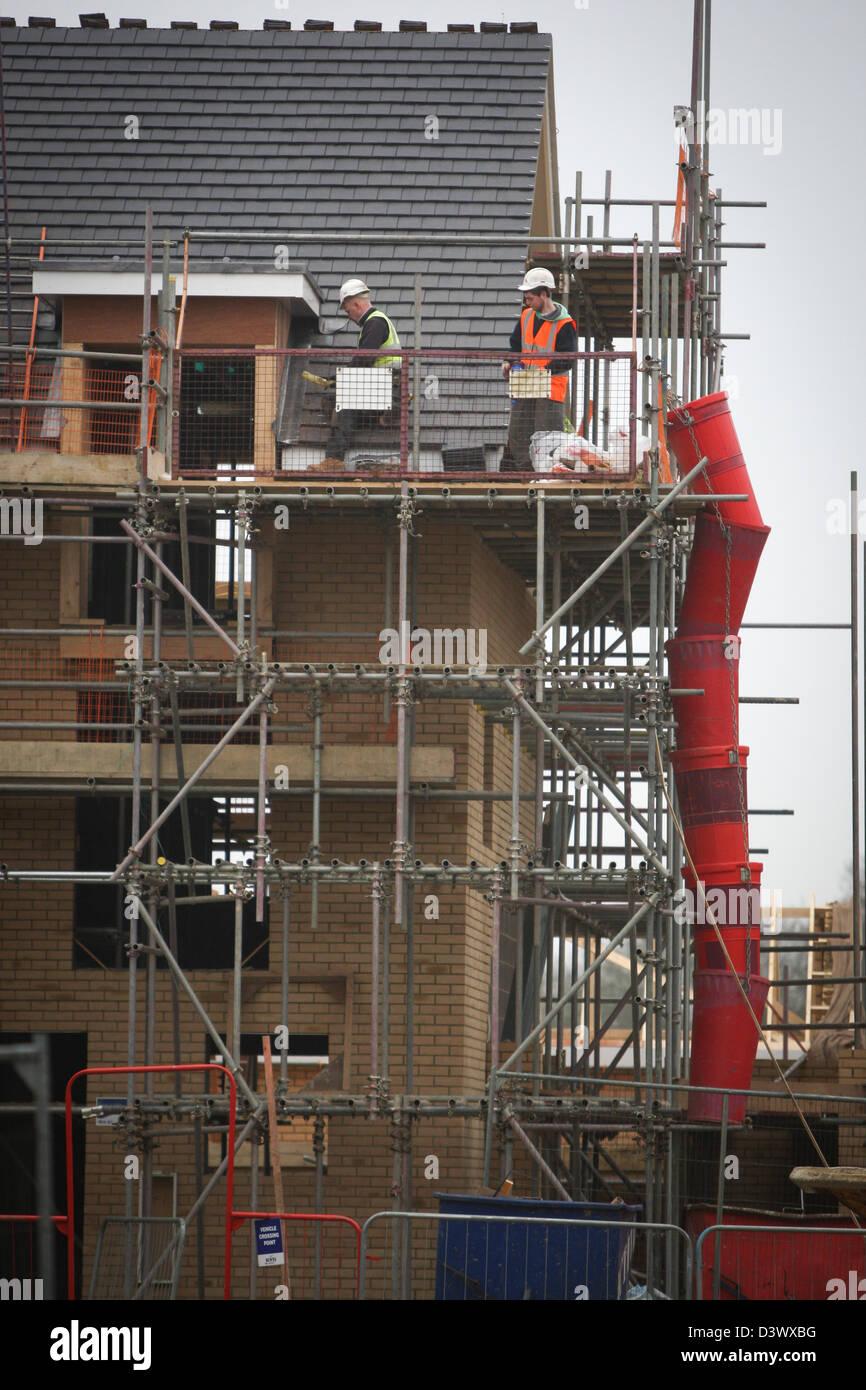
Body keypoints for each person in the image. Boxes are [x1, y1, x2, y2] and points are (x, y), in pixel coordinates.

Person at [312, 278, 402, 472]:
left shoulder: (375, 323)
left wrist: (338, 379)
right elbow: (363, 363)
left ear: (356, 304)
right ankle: (384, 412)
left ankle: (334, 461)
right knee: (337, 400)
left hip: (385, 386)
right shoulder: (375, 323)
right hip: (383, 384)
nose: (349, 316)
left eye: (348, 311)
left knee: (343, 403)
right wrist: (339, 379)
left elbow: (364, 361)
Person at [499, 267, 577, 471]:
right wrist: (509, 362)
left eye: (530, 298)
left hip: (551, 388)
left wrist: (541, 372)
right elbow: (516, 345)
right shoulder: (526, 316)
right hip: (526, 384)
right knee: (518, 432)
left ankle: (545, 473)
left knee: (547, 435)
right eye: (526, 298)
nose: (527, 302)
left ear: (544, 294)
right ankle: (525, 474)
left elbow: (568, 359)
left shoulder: (565, 324)